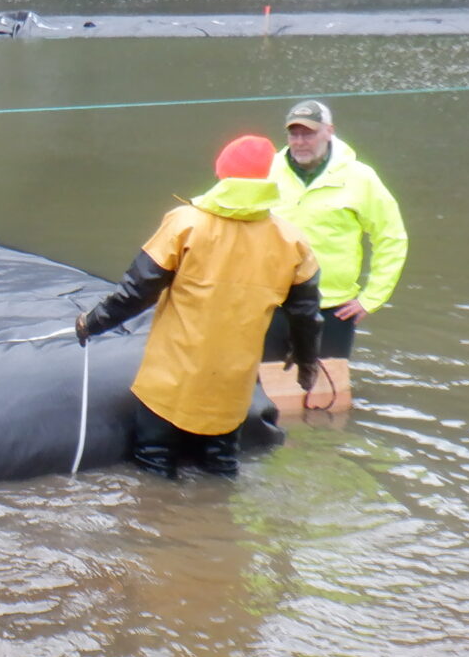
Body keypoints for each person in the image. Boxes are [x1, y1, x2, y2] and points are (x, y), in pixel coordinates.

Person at [76, 136, 321, 478]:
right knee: (221, 468)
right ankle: (217, 511)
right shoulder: (291, 241)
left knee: (153, 463)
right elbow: (306, 315)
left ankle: (154, 511)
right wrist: (307, 362)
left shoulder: (186, 223)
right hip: (231, 387)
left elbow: (136, 292)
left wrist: (91, 323)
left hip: (171, 380)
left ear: (222, 173)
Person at [260, 98, 408, 365]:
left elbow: (391, 237)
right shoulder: (266, 171)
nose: (300, 142)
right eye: (294, 134)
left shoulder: (360, 177)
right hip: (273, 303)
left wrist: (371, 298)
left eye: (309, 134)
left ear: (329, 131)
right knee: (267, 387)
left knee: (326, 389)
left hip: (333, 309)